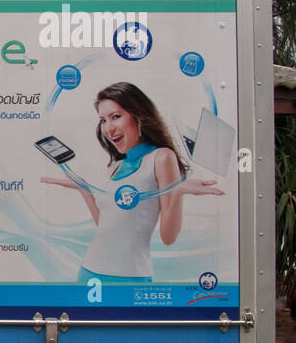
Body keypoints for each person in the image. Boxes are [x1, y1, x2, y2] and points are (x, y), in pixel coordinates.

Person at [41, 82, 223, 281]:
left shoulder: (161, 158)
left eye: (116, 117)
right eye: (103, 120)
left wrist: (178, 192)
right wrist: (83, 189)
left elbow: (168, 237)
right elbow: (106, 225)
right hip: (89, 273)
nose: (108, 129)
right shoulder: (116, 166)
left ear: (138, 116)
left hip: (131, 278)